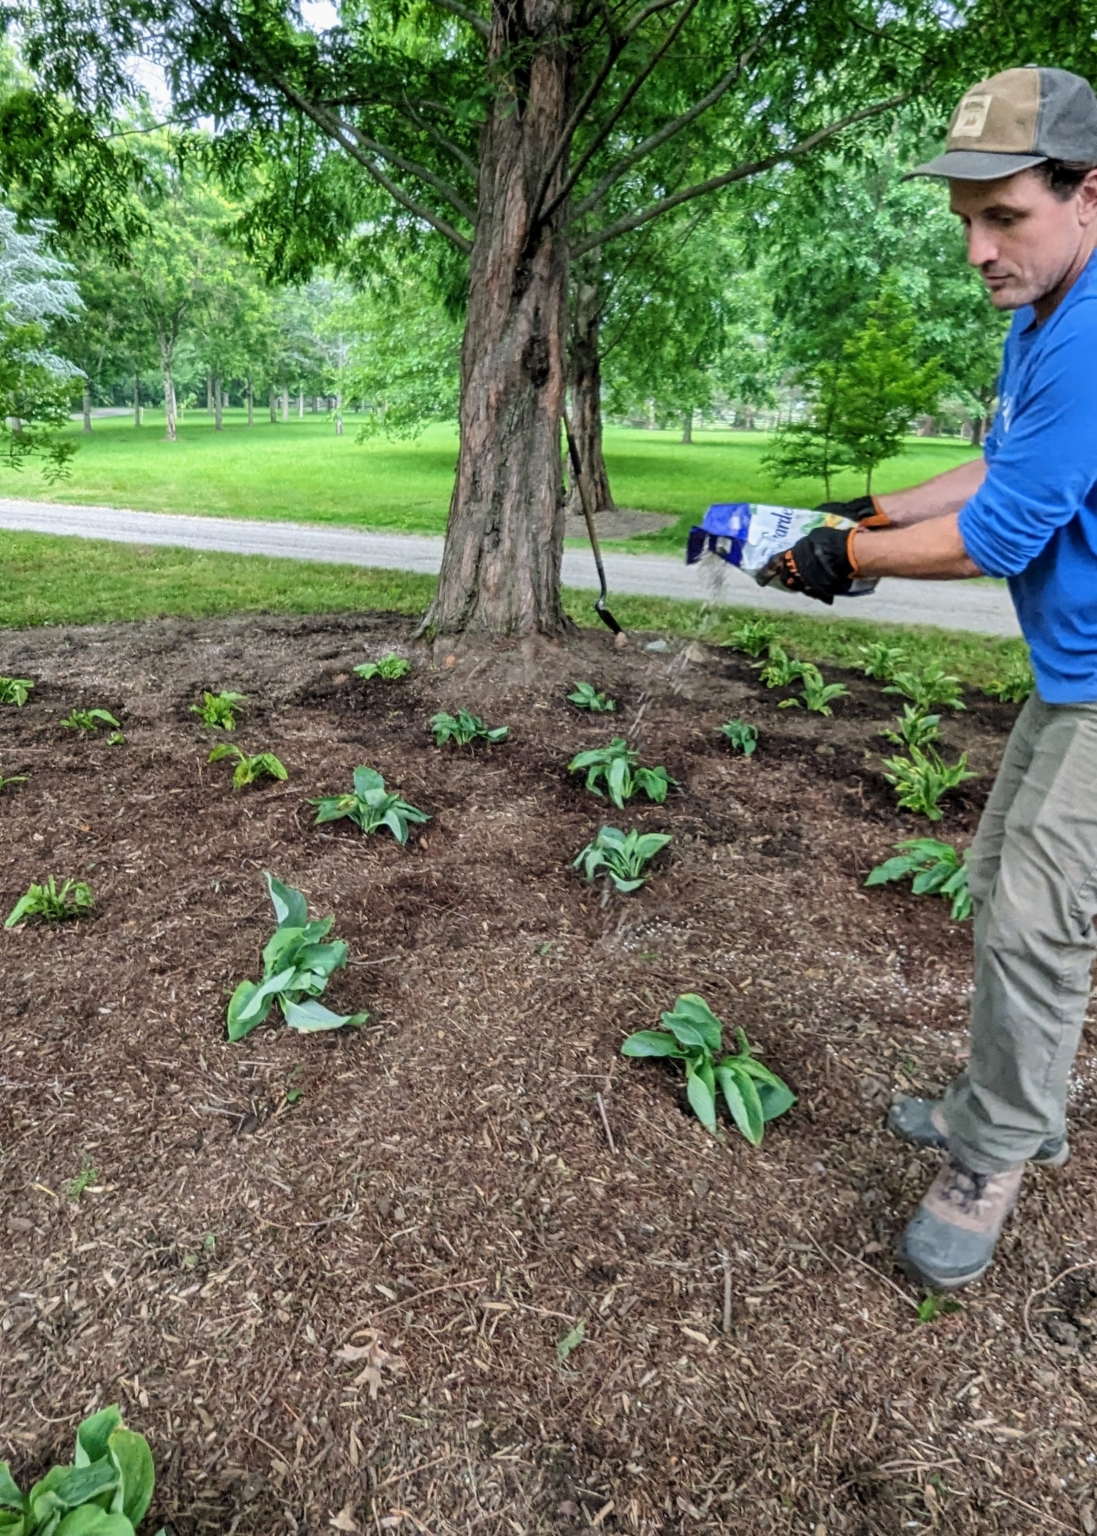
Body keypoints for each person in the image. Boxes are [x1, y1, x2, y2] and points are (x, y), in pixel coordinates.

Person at [764, 65, 1097, 1291]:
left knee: (1033, 917)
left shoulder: (1095, 330)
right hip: (1073, 670)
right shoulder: (1040, 318)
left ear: (1086, 194)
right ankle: (996, 1106)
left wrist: (842, 557)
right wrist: (863, 509)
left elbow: (993, 538)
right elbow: (989, 474)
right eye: (962, 216)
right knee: (1000, 877)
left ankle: (991, 1157)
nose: (975, 247)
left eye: (1002, 214)